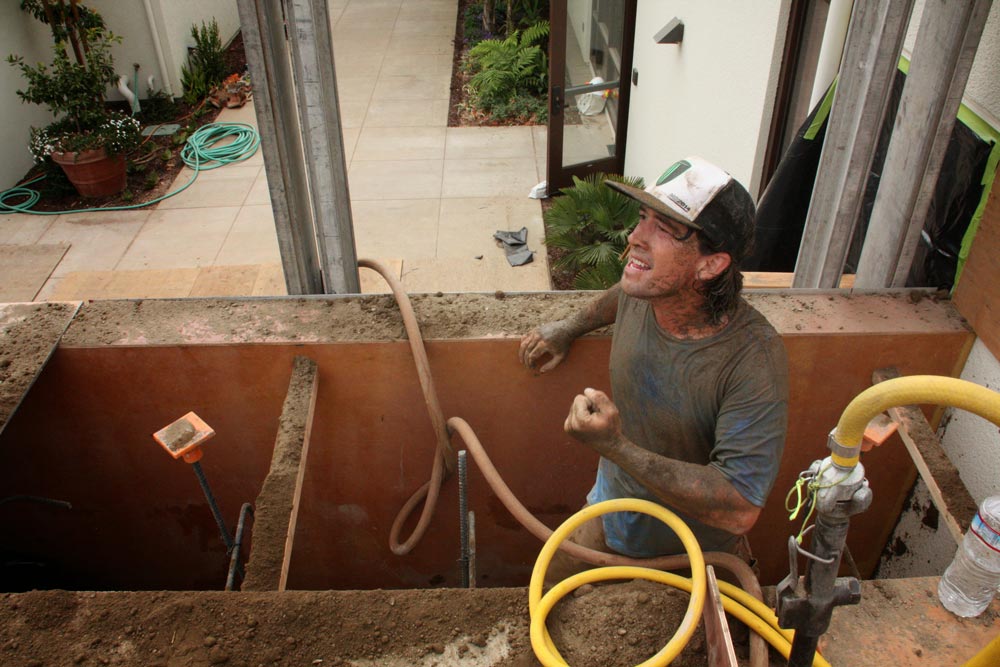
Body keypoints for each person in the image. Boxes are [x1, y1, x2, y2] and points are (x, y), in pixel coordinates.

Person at [519, 156, 789, 568]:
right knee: (551, 586)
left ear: (710, 265)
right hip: (609, 517)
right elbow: (621, 294)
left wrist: (614, 447)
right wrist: (570, 327)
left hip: (689, 555)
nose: (634, 236)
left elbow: (739, 507)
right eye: (643, 217)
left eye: (664, 228)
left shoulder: (753, 362)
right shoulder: (649, 289)